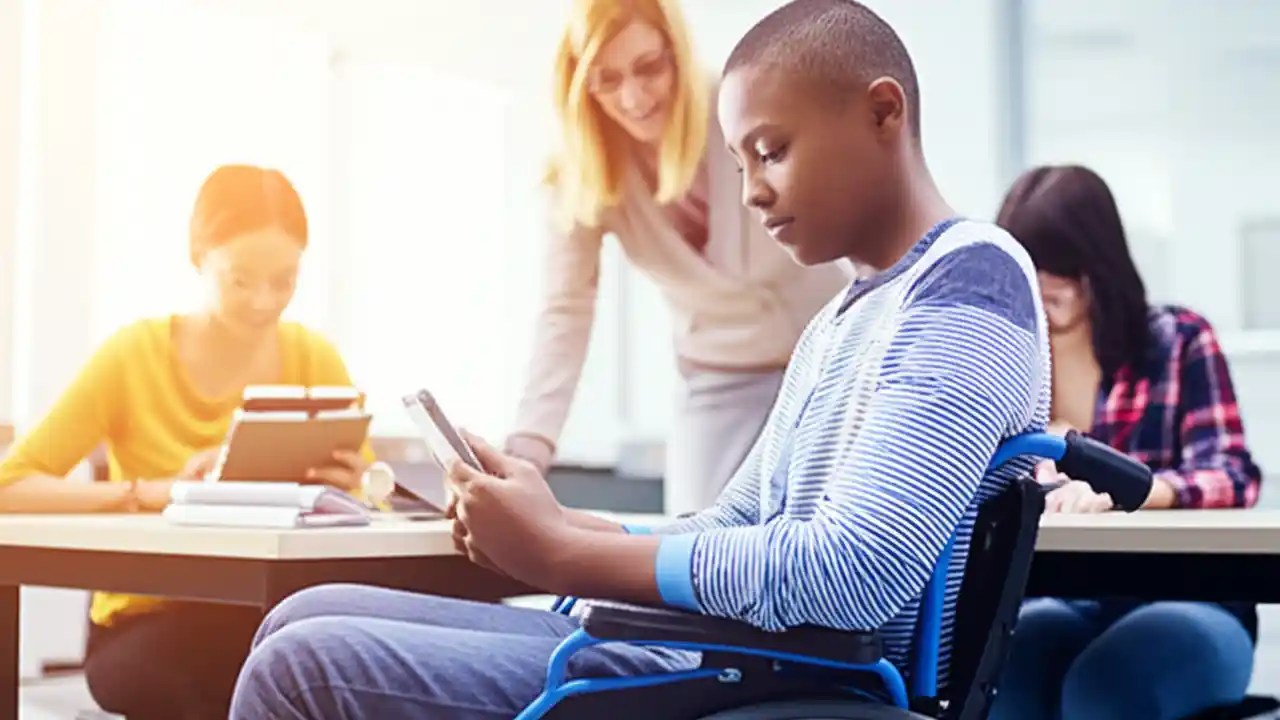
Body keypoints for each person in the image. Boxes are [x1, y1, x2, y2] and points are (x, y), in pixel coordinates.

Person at [228, 2, 1051, 717]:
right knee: (303, 613)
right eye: (740, 165)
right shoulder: (844, 317)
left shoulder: (969, 281)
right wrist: (549, 518)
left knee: (300, 665)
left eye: (770, 151)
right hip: (733, 645)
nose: (753, 190)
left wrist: (561, 554)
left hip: (785, 672)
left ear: (882, 114)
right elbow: (727, 529)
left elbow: (850, 574)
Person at [0, 164, 378, 720]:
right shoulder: (134, 354)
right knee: (197, 680)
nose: (263, 300)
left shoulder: (311, 355)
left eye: (285, 280)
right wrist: (156, 492)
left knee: (320, 665)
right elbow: (10, 485)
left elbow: (376, 498)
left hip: (274, 614)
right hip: (148, 622)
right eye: (241, 279)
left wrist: (355, 487)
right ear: (198, 259)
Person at [505, 0, 849, 515]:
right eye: (607, 79)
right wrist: (528, 448)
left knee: (825, 533)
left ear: (678, 54)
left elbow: (848, 207)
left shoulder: (743, 106)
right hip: (720, 379)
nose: (634, 97)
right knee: (694, 552)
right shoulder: (582, 172)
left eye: (649, 68)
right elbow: (566, 310)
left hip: (832, 358)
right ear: (581, 85)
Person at [989, 165, 1262, 720]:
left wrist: (1129, 490)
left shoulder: (1178, 340)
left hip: (1191, 598)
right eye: (1029, 270)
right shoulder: (1012, 365)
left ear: (1097, 267)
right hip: (1059, 596)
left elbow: (1232, 474)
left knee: (1104, 689)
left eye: (1057, 271)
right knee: (1000, 678)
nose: (1042, 288)